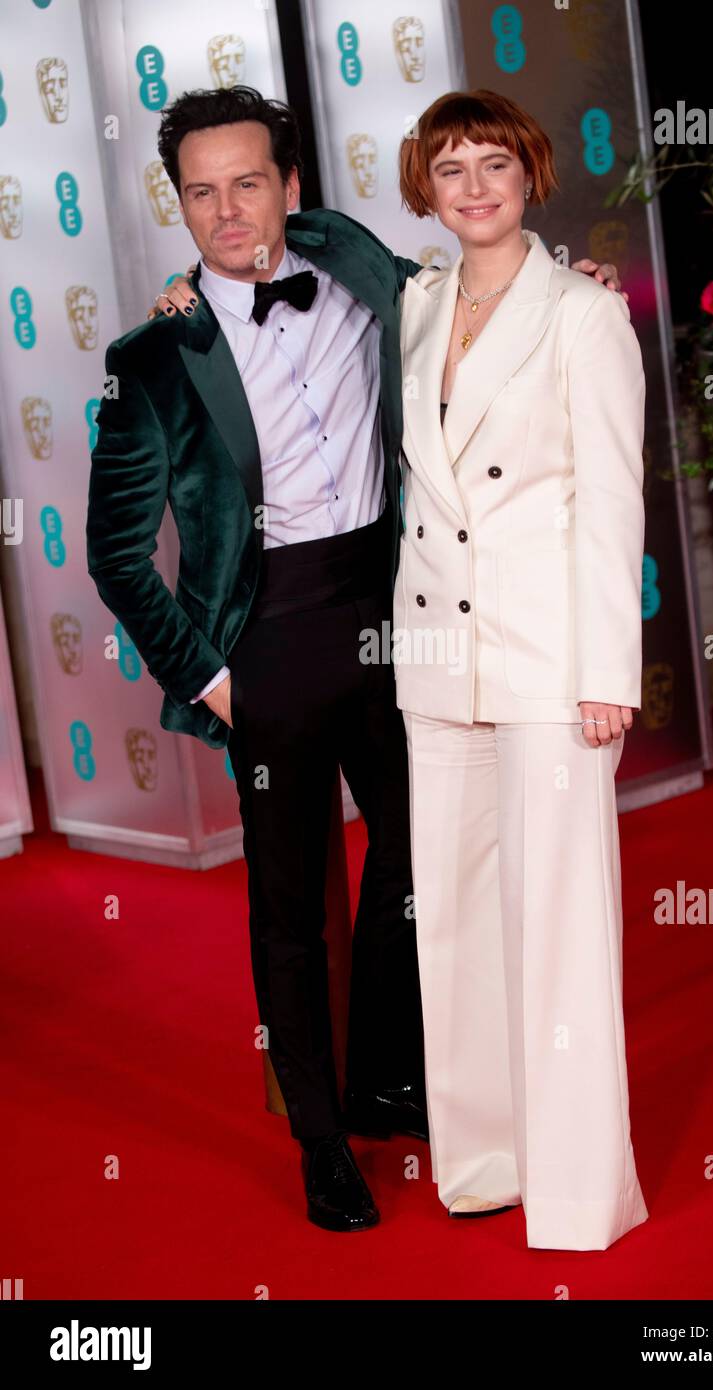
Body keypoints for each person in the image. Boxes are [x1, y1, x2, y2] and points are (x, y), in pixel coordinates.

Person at [106, 85, 623, 1234]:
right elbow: (117, 555)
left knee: (423, 864)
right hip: (267, 642)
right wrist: (213, 678)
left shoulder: (363, 272)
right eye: (202, 192)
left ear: (294, 187)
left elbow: (483, 289)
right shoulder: (154, 355)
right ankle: (322, 1137)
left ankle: (399, 1076)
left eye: (250, 183)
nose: (230, 212)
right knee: (289, 910)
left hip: (399, 621)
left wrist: (571, 286)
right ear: (178, 203)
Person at [391, 90, 649, 1250]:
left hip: (551, 662)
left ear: (532, 173)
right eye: (450, 169)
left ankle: (580, 1187)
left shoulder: (582, 316)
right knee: (450, 923)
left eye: (495, 163)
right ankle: (485, 1158)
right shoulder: (414, 303)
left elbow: (612, 502)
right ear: (424, 189)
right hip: (440, 662)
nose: (474, 186)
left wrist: (610, 668)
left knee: (560, 927)